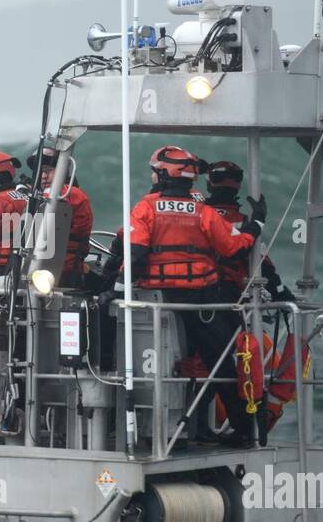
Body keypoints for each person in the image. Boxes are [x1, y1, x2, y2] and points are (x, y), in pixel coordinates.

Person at [126, 146, 266, 447]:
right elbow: (236, 247)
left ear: (162, 175)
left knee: (148, 363)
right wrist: (258, 224)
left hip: (157, 300)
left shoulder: (146, 207)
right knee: (221, 366)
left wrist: (112, 282)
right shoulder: (203, 212)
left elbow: (134, 251)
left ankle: (153, 430)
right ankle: (244, 431)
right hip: (202, 301)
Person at [203, 160, 296, 302]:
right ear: (238, 186)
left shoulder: (197, 213)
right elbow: (262, 264)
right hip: (228, 291)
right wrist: (281, 292)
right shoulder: (244, 223)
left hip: (194, 287)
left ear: (209, 184)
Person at [27, 144, 94, 288]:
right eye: (40, 171)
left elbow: (51, 201)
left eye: (49, 171)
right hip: (39, 266)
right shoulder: (38, 194)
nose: (43, 176)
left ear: (63, 171)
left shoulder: (72, 194)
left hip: (63, 270)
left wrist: (23, 195)